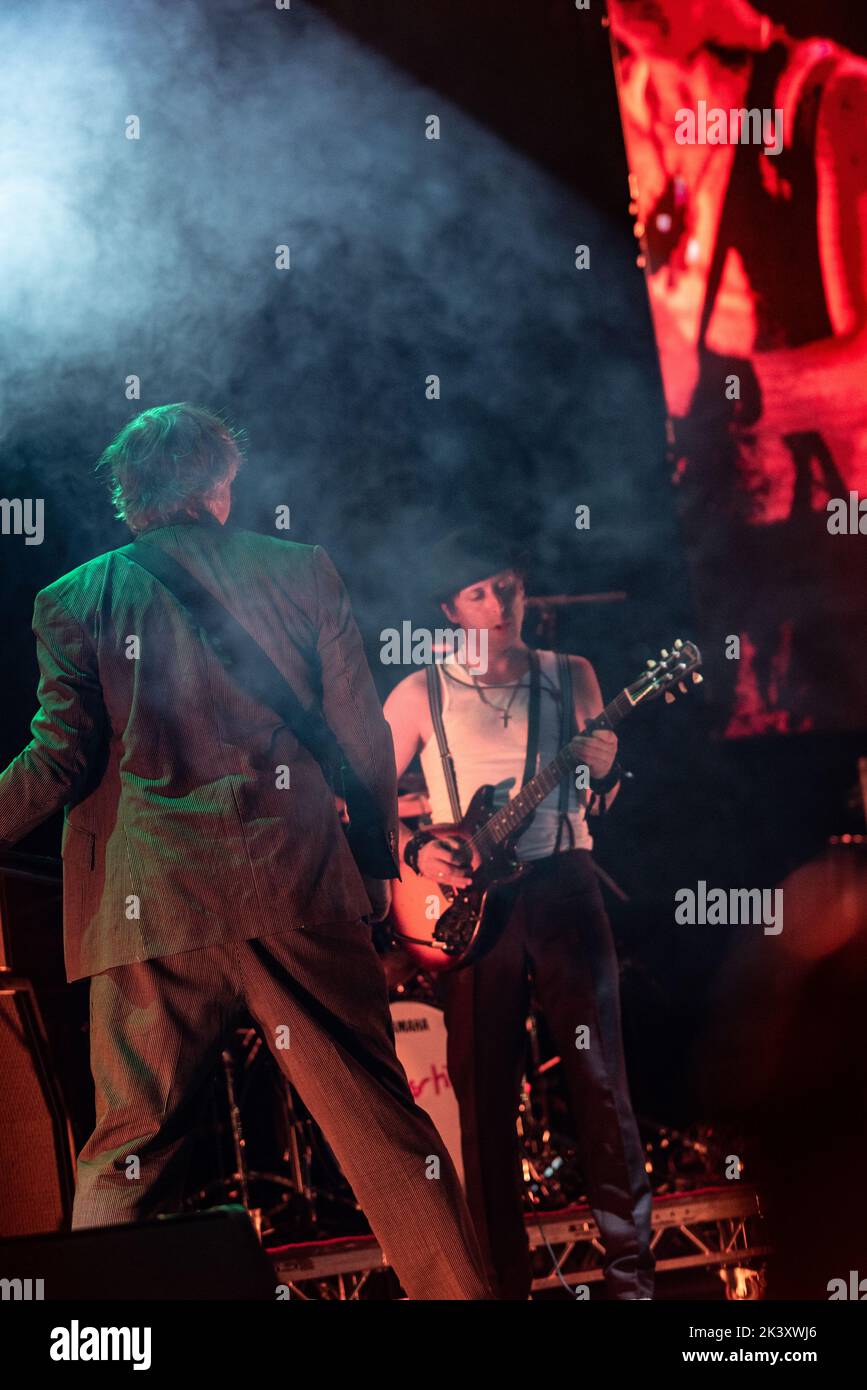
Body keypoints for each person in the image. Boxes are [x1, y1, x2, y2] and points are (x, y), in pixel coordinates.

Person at [0, 402, 493, 1300]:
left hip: (150, 906)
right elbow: (360, 737)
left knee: (128, 1158)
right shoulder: (302, 571)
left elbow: (56, 760)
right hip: (295, 886)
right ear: (221, 487)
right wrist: (378, 866)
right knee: (388, 1139)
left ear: (128, 497)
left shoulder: (74, 599)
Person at [383, 531, 654, 1300]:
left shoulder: (572, 675)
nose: (499, 605)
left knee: (601, 1081)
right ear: (448, 607)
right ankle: (500, 1286)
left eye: (507, 587)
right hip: (473, 907)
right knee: (481, 1097)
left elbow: (603, 796)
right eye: (478, 593)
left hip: (564, 881)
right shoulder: (416, 694)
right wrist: (414, 852)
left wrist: (607, 773)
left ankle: (630, 1282)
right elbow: (360, 798)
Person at [608, 0, 867, 733]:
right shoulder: (633, 95)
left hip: (823, 532)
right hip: (713, 533)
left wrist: (728, 398)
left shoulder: (830, 100)